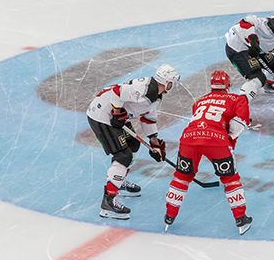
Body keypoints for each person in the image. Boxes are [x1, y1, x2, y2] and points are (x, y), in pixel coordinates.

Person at [86, 64, 181, 220]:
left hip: (116, 117)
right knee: (123, 156)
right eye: (173, 82)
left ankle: (119, 180)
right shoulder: (143, 88)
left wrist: (154, 143)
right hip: (103, 116)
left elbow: (148, 119)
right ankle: (108, 203)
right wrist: (117, 113)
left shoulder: (155, 96)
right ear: (167, 82)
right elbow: (117, 91)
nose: (174, 86)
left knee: (133, 144)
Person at [164, 71, 254, 235]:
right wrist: (227, 140)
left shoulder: (199, 101)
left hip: (188, 139)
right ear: (228, 85)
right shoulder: (237, 99)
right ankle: (240, 218)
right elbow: (239, 124)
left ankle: (169, 216)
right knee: (231, 179)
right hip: (216, 140)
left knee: (181, 177)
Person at [225, 5, 274, 99]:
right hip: (238, 48)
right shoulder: (268, 25)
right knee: (258, 78)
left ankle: (270, 85)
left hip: (258, 50)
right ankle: (241, 103)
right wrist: (252, 39)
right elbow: (246, 21)